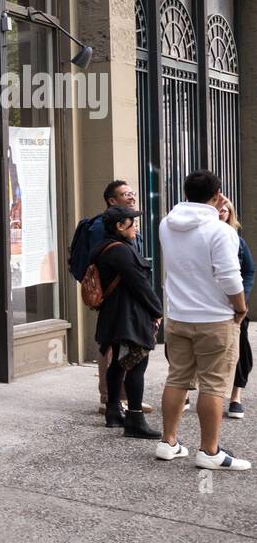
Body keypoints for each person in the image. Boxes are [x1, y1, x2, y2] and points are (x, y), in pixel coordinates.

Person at [156, 170, 250, 470]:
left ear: (185, 192)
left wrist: (210, 209)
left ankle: (168, 442)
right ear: (217, 194)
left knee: (177, 378)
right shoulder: (222, 232)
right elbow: (229, 276)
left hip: (179, 315)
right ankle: (209, 452)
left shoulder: (166, 225)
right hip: (215, 317)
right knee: (213, 384)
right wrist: (240, 306)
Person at [70, 179, 152, 416]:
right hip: (113, 296)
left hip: (126, 295)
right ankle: (109, 398)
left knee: (122, 347)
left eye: (132, 193)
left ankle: (124, 398)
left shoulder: (128, 223)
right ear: (112, 201)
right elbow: (104, 263)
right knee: (111, 348)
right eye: (126, 194)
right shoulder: (102, 228)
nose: (132, 197)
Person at [91, 205, 162, 438]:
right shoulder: (121, 251)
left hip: (114, 315)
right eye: (133, 222)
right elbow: (139, 284)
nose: (137, 226)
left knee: (119, 364)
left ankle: (113, 412)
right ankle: (135, 419)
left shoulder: (103, 247)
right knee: (137, 364)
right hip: (129, 316)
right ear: (120, 226)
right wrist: (157, 310)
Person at [216, 196, 253, 419]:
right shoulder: (201, 238)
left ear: (230, 215)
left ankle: (235, 396)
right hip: (208, 304)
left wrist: (242, 297)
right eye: (217, 210)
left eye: (225, 211)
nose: (221, 213)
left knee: (240, 348)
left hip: (235, 303)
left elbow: (248, 271)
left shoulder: (238, 242)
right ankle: (189, 394)